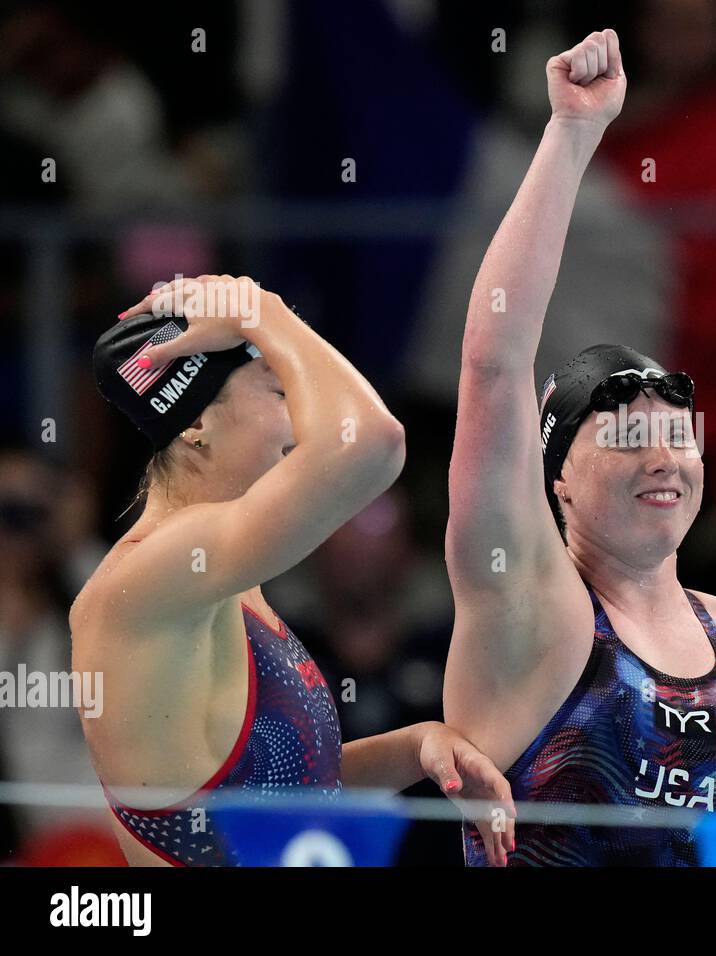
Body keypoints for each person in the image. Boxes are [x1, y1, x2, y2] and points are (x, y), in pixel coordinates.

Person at [443, 29, 716, 867]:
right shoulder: (523, 605)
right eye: (628, 438)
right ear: (558, 480)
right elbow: (494, 367)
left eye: (679, 437)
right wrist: (571, 135)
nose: (663, 458)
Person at [73, 275, 515, 866]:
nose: (302, 421)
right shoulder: (156, 575)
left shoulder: (219, 575)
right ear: (197, 423)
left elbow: (281, 798)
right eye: (278, 393)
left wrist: (414, 747)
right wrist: (263, 310)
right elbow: (372, 442)